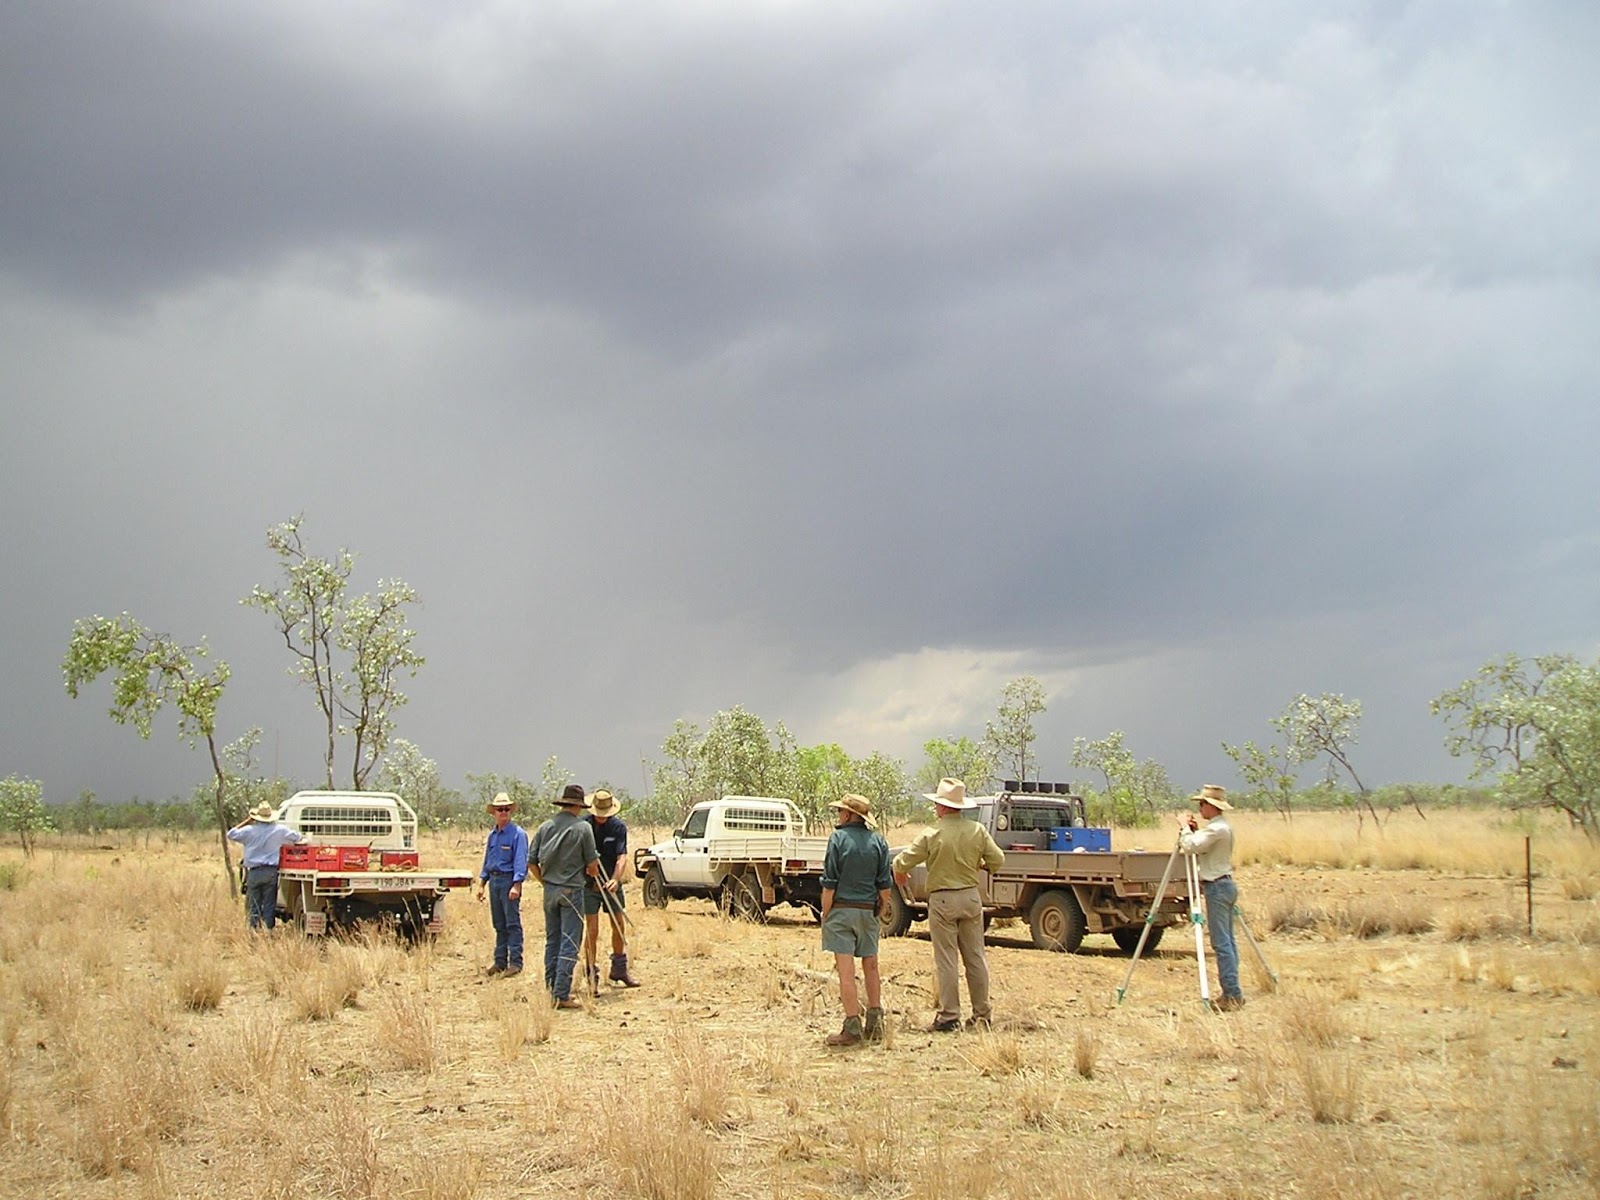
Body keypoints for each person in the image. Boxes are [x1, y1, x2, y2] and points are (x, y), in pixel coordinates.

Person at [892, 778, 1005, 1032]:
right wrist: (981, 865)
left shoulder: (932, 834)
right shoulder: (977, 830)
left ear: (941, 807)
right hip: (971, 897)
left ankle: (949, 1015)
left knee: (947, 960)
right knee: (975, 957)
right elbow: (998, 860)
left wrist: (899, 873)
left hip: (943, 899)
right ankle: (982, 1015)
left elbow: (902, 862)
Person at [819, 793, 894, 1046]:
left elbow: (829, 883)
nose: (839, 815)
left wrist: (826, 913)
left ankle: (852, 1026)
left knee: (846, 970)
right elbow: (884, 884)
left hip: (841, 910)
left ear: (849, 815)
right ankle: (875, 1021)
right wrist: (881, 910)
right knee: (871, 966)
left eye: (841, 811)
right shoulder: (879, 841)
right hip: (867, 911)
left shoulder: (838, 839)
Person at [530, 783, 601, 1008]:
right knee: (570, 941)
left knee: (553, 940)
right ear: (579, 806)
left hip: (550, 889)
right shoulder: (583, 829)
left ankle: (550, 988)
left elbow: (532, 862)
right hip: (572, 889)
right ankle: (561, 994)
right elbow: (592, 864)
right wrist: (591, 872)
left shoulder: (545, 827)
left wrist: (546, 882)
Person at [1179, 783, 1244, 1011]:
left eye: (1202, 804)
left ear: (1211, 806)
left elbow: (1189, 846)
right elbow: (1201, 846)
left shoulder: (1217, 829)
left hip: (1217, 887)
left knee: (1222, 943)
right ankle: (1232, 990)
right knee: (1229, 942)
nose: (1199, 808)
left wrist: (1185, 829)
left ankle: (1232, 994)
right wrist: (1194, 831)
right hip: (1224, 884)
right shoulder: (1220, 828)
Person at [583, 789, 640, 992]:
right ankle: (591, 975)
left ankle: (619, 970)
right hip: (589, 884)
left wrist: (615, 879)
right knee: (592, 929)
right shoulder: (584, 826)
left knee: (618, 925)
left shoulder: (617, 827)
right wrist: (591, 877)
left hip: (611, 883)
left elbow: (621, 856)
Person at [227, 801, 305, 930]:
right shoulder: (279, 830)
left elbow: (231, 834)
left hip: (254, 872)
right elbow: (297, 837)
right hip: (270, 872)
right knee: (269, 904)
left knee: (254, 905)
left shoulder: (248, 830)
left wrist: (247, 821)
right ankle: (268, 930)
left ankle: (254, 932)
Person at [476, 792, 529, 977]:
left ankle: (515, 962)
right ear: (494, 813)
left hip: (508, 881)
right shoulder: (493, 835)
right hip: (494, 881)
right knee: (498, 923)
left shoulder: (518, 834)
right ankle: (500, 961)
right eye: (500, 809)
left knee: (512, 923)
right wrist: (482, 883)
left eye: (507, 809)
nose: (503, 812)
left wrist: (517, 884)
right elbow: (487, 860)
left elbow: (521, 861)